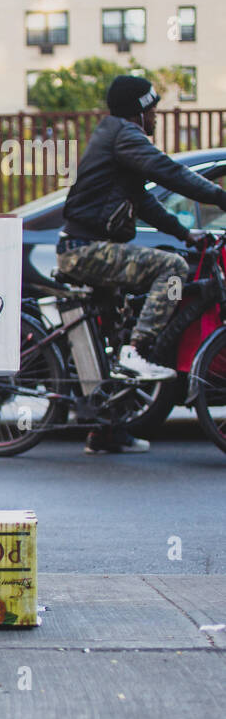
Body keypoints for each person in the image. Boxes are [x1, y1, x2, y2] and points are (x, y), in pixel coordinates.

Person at [58, 74, 226, 454]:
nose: (157, 116)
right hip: (86, 249)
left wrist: (188, 235)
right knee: (172, 270)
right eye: (153, 109)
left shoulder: (117, 137)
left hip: (88, 245)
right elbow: (171, 173)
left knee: (113, 333)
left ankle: (107, 429)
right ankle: (138, 351)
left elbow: (145, 201)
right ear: (140, 111)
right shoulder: (126, 136)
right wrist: (220, 197)